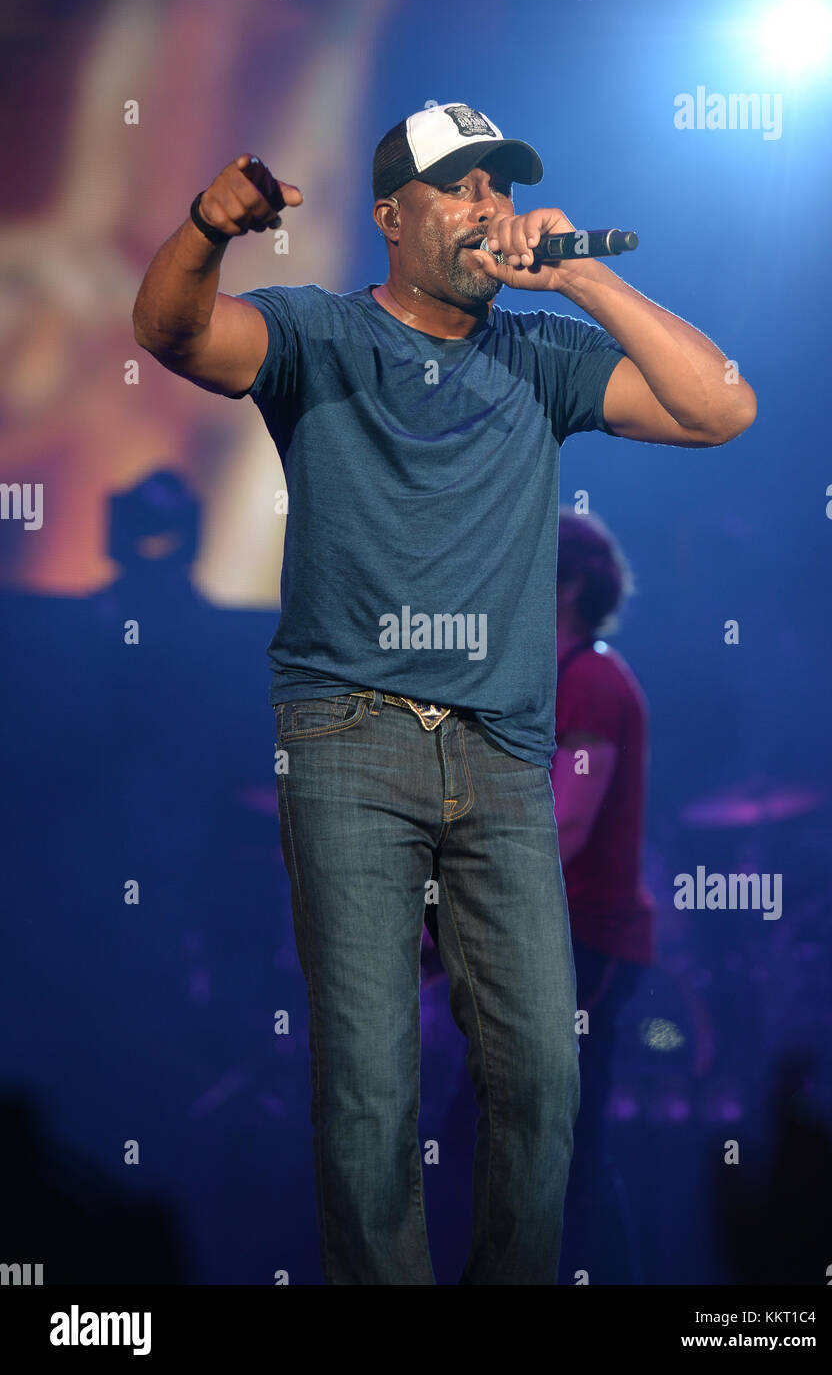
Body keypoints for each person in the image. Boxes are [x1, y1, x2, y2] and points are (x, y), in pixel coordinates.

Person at [132, 102, 756, 1284]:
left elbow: (721, 406)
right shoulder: (317, 333)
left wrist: (578, 279)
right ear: (390, 216)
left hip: (503, 757)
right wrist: (211, 226)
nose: (489, 209)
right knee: (369, 1085)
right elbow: (170, 334)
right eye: (459, 187)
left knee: (540, 1079)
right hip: (346, 735)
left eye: (500, 189)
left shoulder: (542, 354)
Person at [552, 508, 654, 1282]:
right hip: (562, 944)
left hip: (587, 945)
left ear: (569, 582)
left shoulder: (590, 681)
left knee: (570, 1158)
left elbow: (567, 827)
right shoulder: (567, 679)